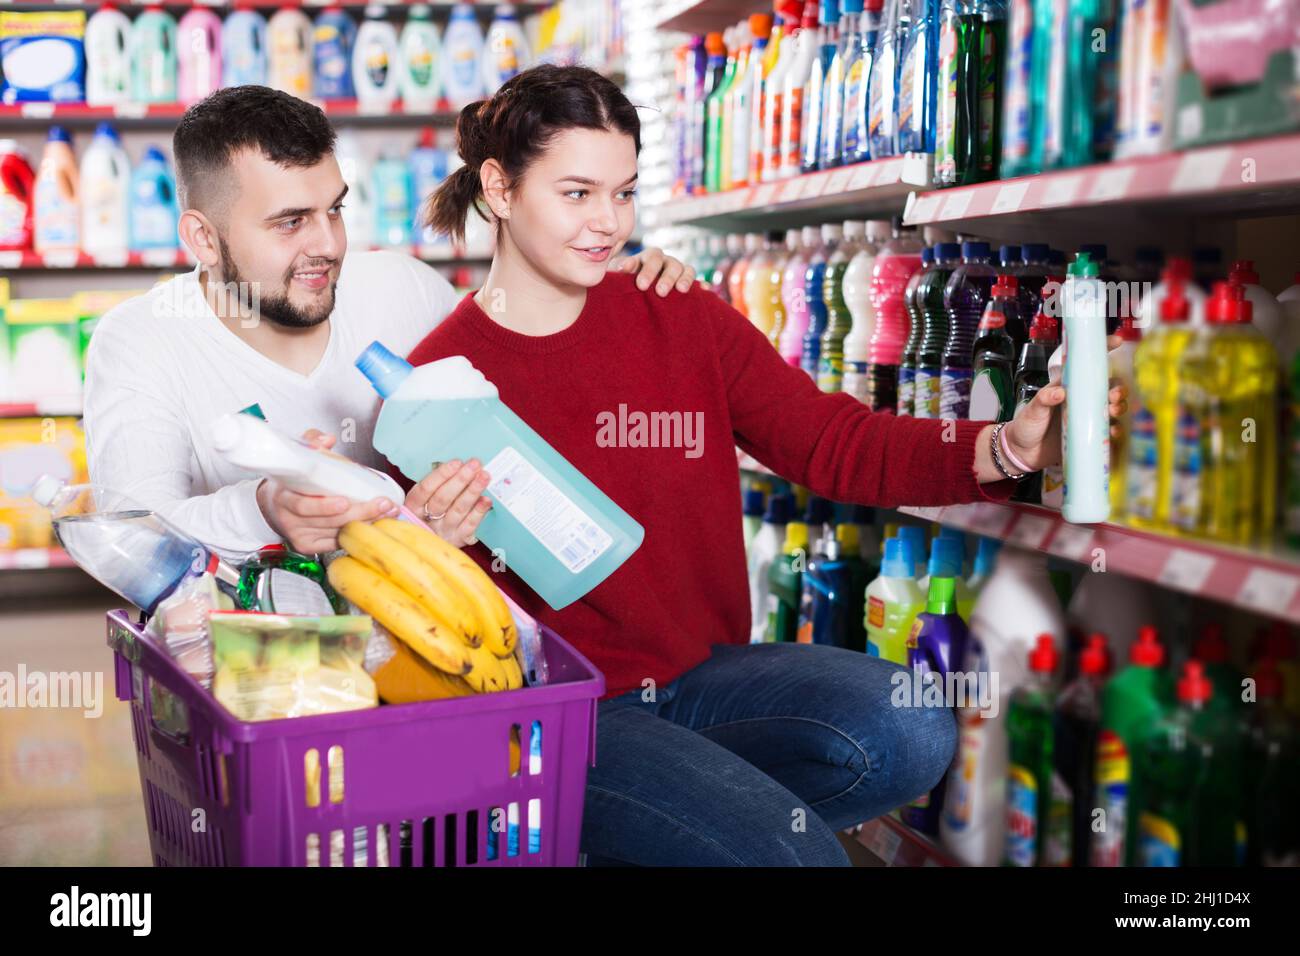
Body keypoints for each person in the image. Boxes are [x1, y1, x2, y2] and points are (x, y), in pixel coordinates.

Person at [405, 65, 1127, 866]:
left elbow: (829, 441)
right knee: (803, 858)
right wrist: (425, 532)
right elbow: (422, 615)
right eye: (576, 194)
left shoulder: (675, 312)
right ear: (500, 189)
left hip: (703, 680)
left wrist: (1005, 447)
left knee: (911, 727)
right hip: (566, 720)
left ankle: (675, 826)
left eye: (625, 192)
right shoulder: (438, 383)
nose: (607, 223)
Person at [83, 86, 694, 558]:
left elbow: (523, 363)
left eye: (336, 209)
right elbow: (130, 542)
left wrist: (610, 282)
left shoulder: (401, 289)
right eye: (290, 222)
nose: (328, 244)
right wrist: (264, 510)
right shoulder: (140, 341)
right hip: (263, 675)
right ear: (203, 238)